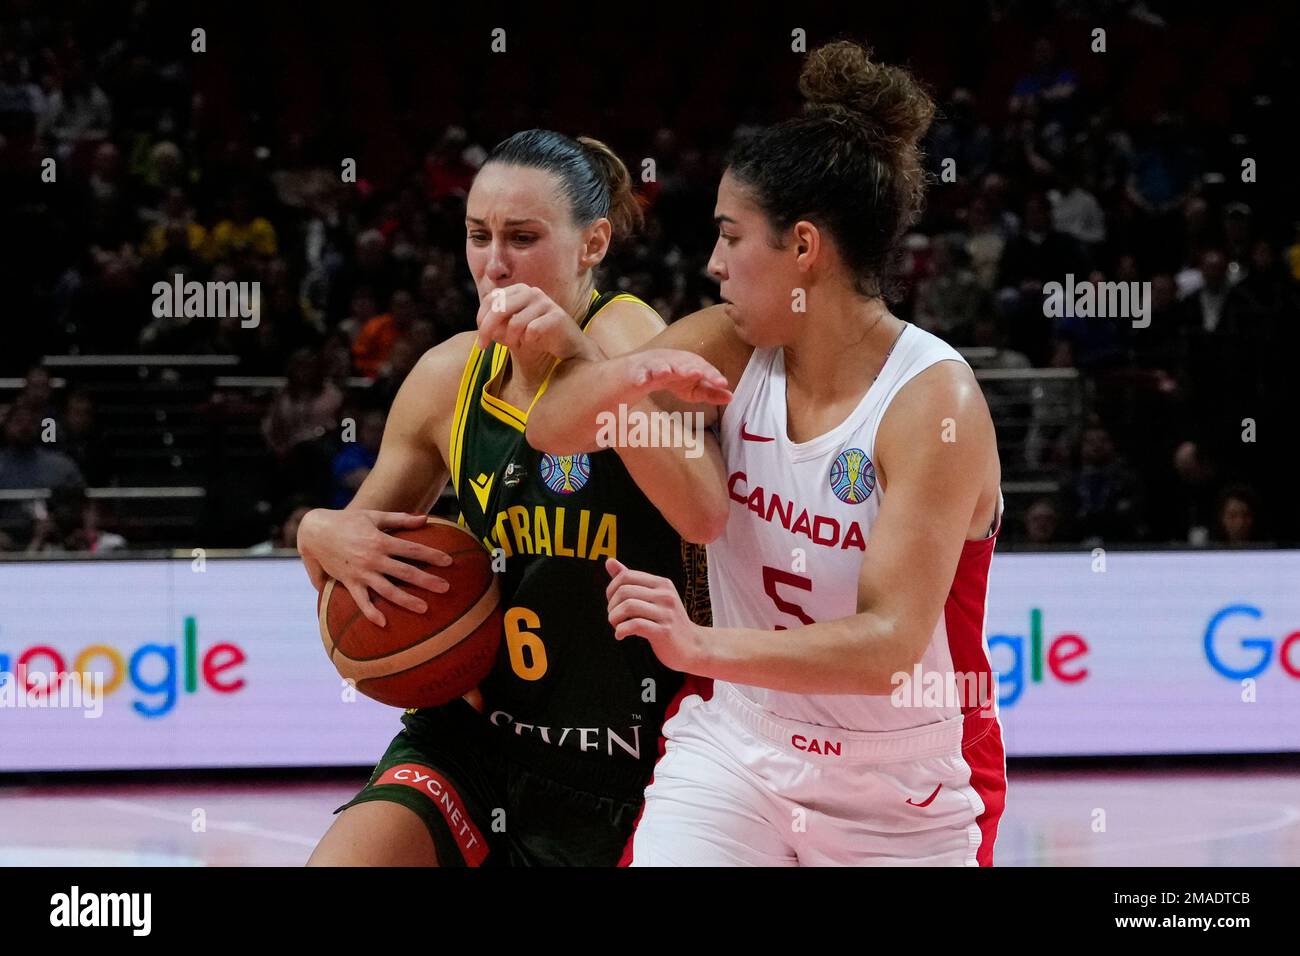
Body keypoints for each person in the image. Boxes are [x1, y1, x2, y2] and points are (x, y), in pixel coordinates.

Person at [524, 41, 1007, 866]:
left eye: (730, 236)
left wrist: (697, 647)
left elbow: (890, 646)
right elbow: (552, 431)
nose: (712, 263)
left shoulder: (933, 402)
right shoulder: (730, 345)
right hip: (739, 746)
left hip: (904, 783)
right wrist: (624, 375)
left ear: (805, 250)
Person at [298, 130, 724, 867]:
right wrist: (318, 533)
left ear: (592, 243)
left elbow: (702, 512)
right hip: (475, 744)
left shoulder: (633, 337)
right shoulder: (446, 379)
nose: (494, 265)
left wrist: (582, 361)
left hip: (644, 767)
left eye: (522, 238)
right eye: (478, 236)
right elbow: (357, 576)